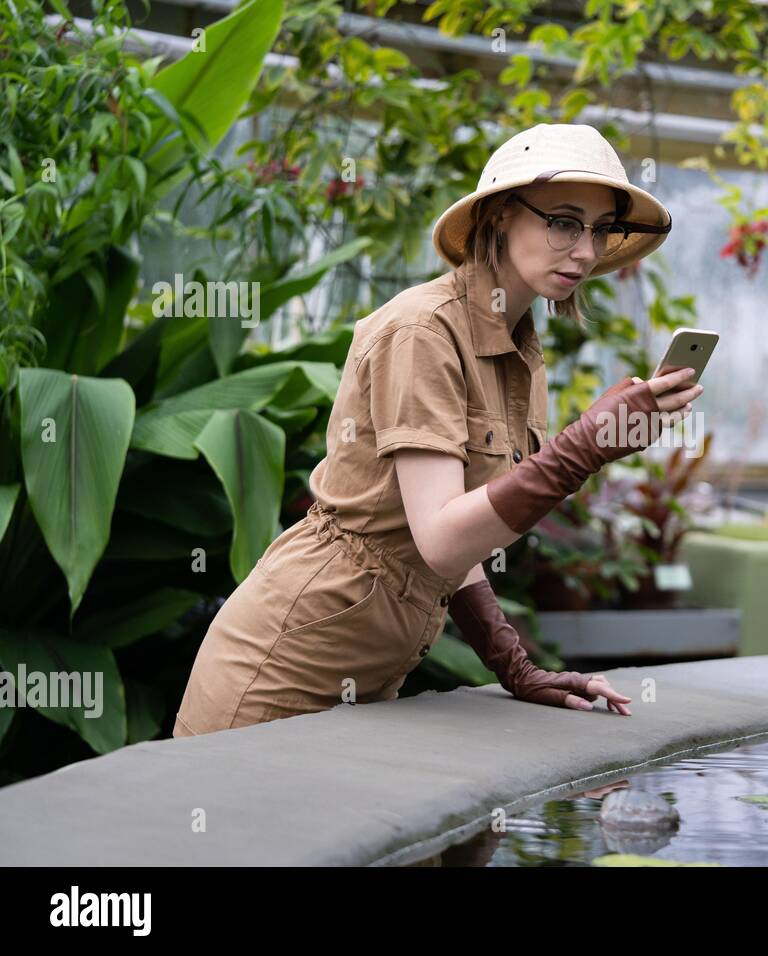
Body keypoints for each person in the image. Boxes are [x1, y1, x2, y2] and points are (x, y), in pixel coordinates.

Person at [172, 123, 702, 736]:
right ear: (502, 215)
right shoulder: (422, 332)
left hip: (371, 679)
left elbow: (459, 534)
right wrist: (587, 444)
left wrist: (516, 666)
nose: (584, 250)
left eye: (601, 228)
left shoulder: (520, 352)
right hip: (282, 672)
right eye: (563, 221)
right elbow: (443, 541)